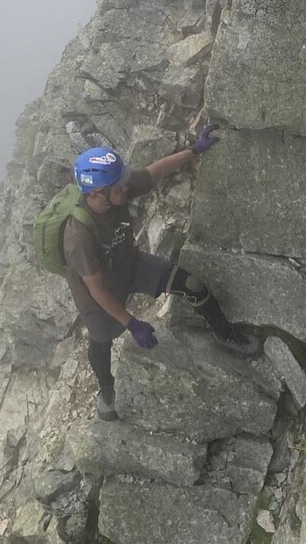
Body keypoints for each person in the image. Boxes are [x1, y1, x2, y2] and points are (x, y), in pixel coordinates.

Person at [63, 131, 258, 421]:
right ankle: (107, 390)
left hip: (130, 264)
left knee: (192, 284)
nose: (126, 188)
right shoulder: (78, 236)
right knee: (101, 340)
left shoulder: (118, 189)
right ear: (96, 194)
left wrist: (194, 150)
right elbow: (98, 290)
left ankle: (225, 333)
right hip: (98, 295)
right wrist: (132, 323)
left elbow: (154, 172)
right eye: (118, 187)